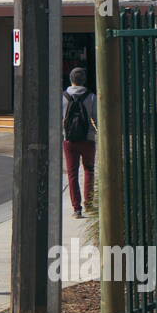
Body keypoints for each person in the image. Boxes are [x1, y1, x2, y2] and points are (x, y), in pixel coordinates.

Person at [61, 67, 98, 218]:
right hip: (88, 139)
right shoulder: (92, 97)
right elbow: (96, 119)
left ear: (71, 79)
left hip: (69, 140)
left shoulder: (63, 97)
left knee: (72, 174)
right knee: (89, 170)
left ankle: (77, 209)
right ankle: (89, 204)